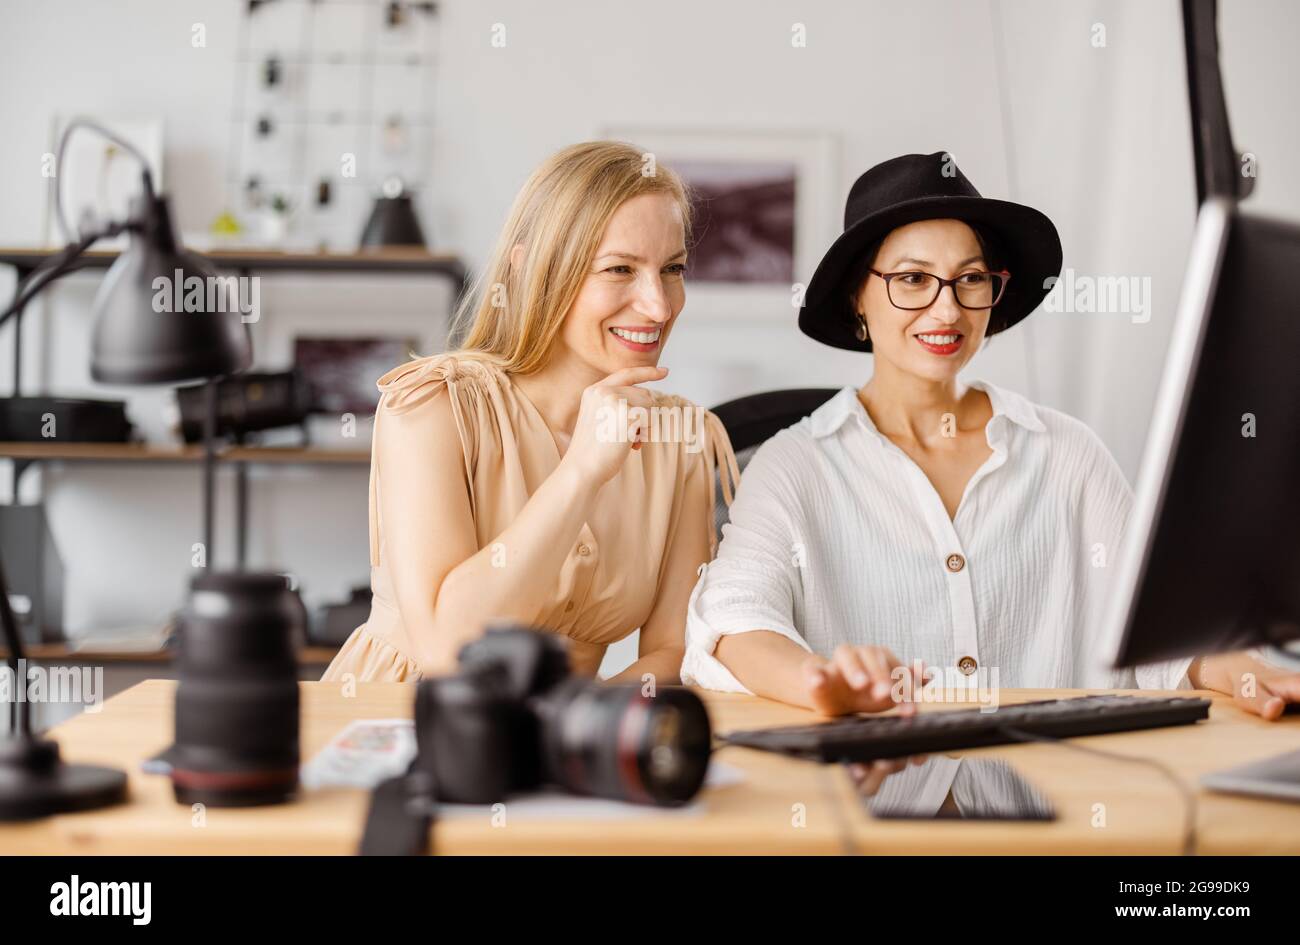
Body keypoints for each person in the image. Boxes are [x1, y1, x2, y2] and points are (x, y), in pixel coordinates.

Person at [682, 150, 1300, 723]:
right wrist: (822, 681)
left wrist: (1245, 672)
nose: (947, 311)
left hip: (1044, 804)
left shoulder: (1066, 452)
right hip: (872, 806)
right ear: (858, 298)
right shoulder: (794, 463)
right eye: (913, 279)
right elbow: (735, 619)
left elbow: (1157, 632)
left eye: (970, 279)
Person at [323, 141, 738, 683]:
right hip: (397, 722)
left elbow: (671, 651)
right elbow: (449, 652)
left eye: (673, 268)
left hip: (554, 751)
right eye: (619, 269)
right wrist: (582, 472)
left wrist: (578, 728)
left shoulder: (681, 437)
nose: (659, 306)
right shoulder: (433, 408)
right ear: (530, 270)